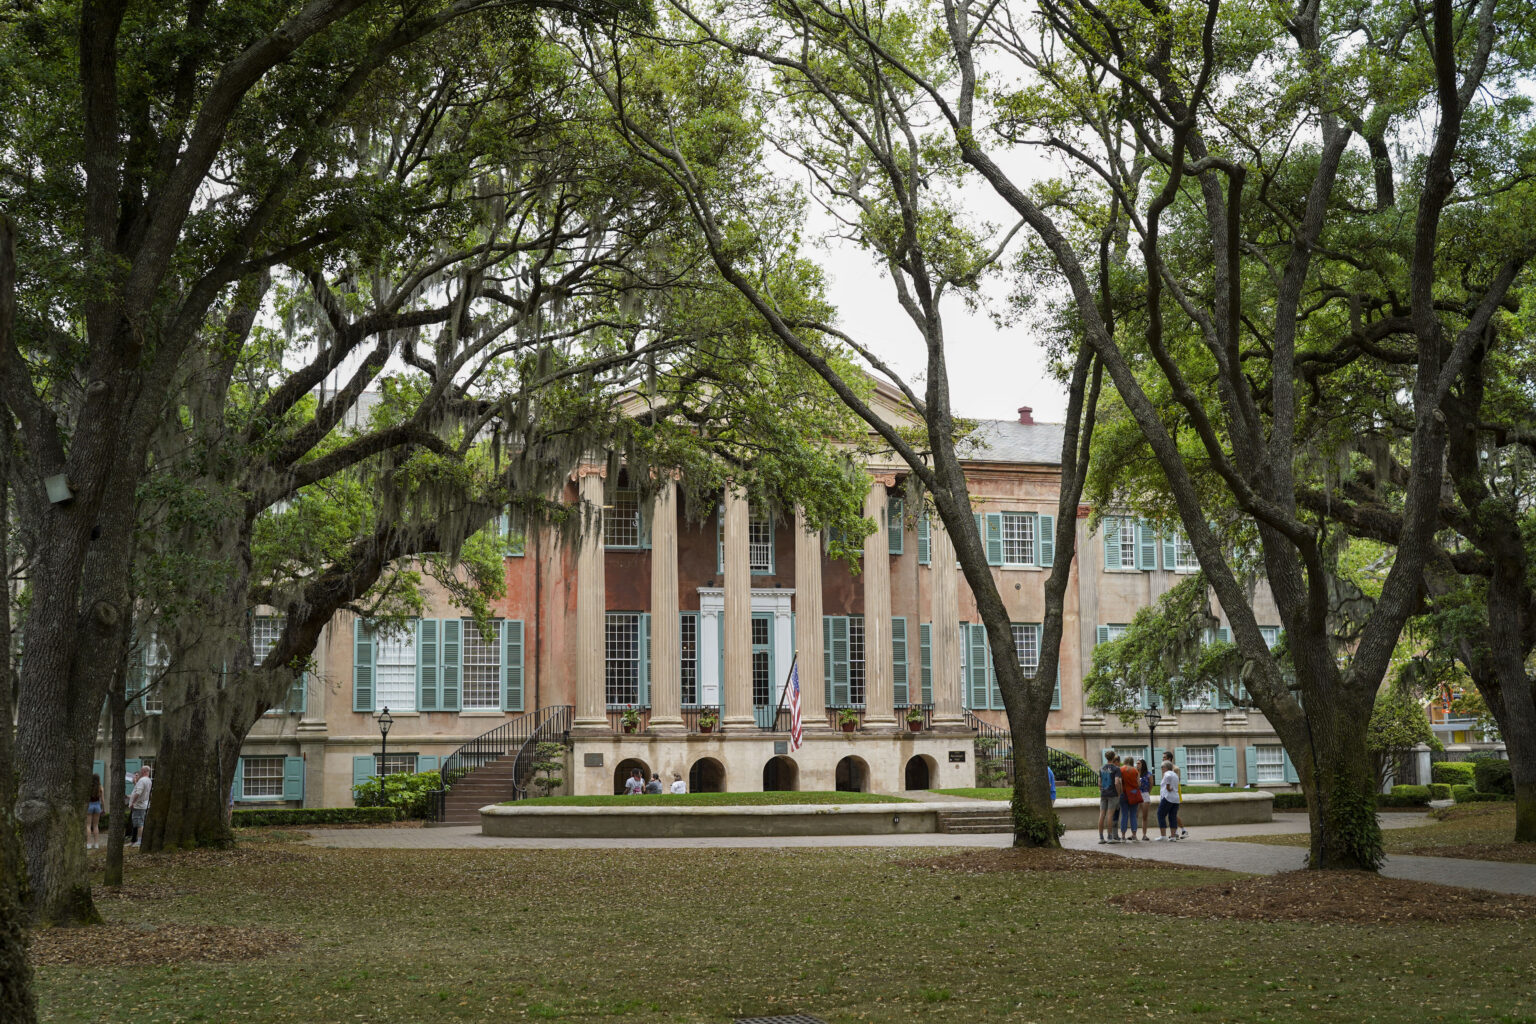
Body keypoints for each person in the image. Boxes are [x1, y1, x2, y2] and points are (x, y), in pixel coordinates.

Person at [1097, 750, 1122, 843]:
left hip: (1103, 793)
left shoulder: (1101, 768)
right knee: (1110, 815)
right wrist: (1119, 793)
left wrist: (1102, 790)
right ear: (1113, 757)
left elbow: (1099, 782)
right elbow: (1116, 782)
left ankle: (1101, 837)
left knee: (1102, 814)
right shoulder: (1116, 769)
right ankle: (1110, 837)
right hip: (1112, 794)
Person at [1156, 754, 1181, 840]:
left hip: (1168, 797)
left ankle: (1163, 836)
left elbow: (1168, 785)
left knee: (1160, 814)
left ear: (1166, 767)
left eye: (1162, 767)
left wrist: (1168, 788)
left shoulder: (1167, 774)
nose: (1161, 769)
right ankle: (1173, 836)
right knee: (1172, 816)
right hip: (1176, 798)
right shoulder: (1175, 775)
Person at [128, 765, 152, 847]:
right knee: (136, 823)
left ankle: (139, 841)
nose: (140, 772)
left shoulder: (142, 780)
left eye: (141, 771)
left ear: (144, 771)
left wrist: (133, 802)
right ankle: (134, 840)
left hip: (139, 805)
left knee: (139, 824)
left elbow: (138, 792)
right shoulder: (149, 780)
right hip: (143, 804)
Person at [1118, 755, 1140, 841]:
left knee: (1124, 814)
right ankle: (1134, 835)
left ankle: (1123, 836)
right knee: (1133, 815)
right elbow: (1138, 784)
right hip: (1133, 793)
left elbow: (1119, 782)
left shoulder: (1121, 769)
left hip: (1124, 793)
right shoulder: (1135, 771)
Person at [1136, 758, 1153, 840]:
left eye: (1138, 763)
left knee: (1144, 816)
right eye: (1136, 763)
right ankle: (1134, 834)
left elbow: (1151, 784)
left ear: (1143, 764)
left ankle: (1144, 835)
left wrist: (1147, 793)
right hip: (1136, 795)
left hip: (1145, 794)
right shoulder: (1135, 773)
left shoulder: (1148, 774)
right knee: (1134, 815)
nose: (1137, 765)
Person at [86, 774, 104, 850]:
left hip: (89, 805)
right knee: (96, 825)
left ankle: (88, 844)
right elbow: (102, 800)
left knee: (88, 825)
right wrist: (104, 808)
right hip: (97, 806)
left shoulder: (88, 787)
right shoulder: (100, 788)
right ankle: (96, 844)